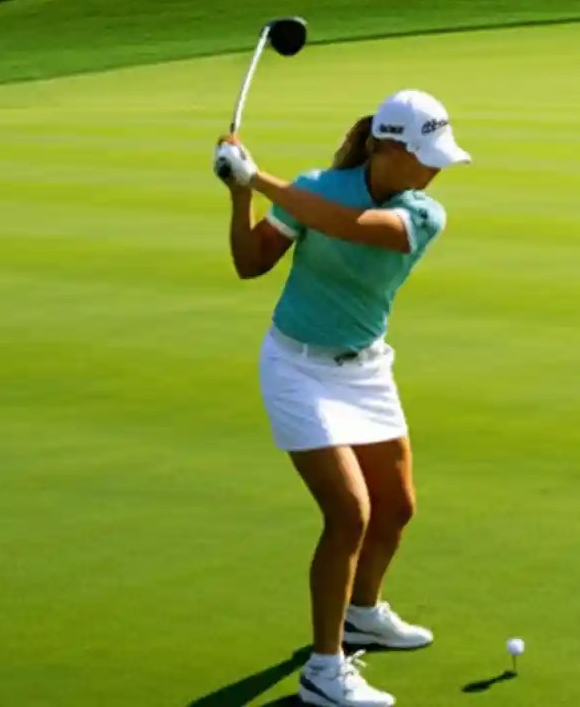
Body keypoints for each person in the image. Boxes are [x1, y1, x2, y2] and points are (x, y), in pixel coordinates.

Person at [212, 89, 471, 707]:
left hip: (366, 370)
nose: (436, 169)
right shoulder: (315, 188)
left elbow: (348, 225)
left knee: (396, 508)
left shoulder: (423, 214)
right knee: (350, 513)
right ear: (386, 147)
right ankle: (324, 672)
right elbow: (250, 263)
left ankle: (362, 614)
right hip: (297, 369)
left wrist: (260, 178)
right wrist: (241, 194)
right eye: (428, 156)